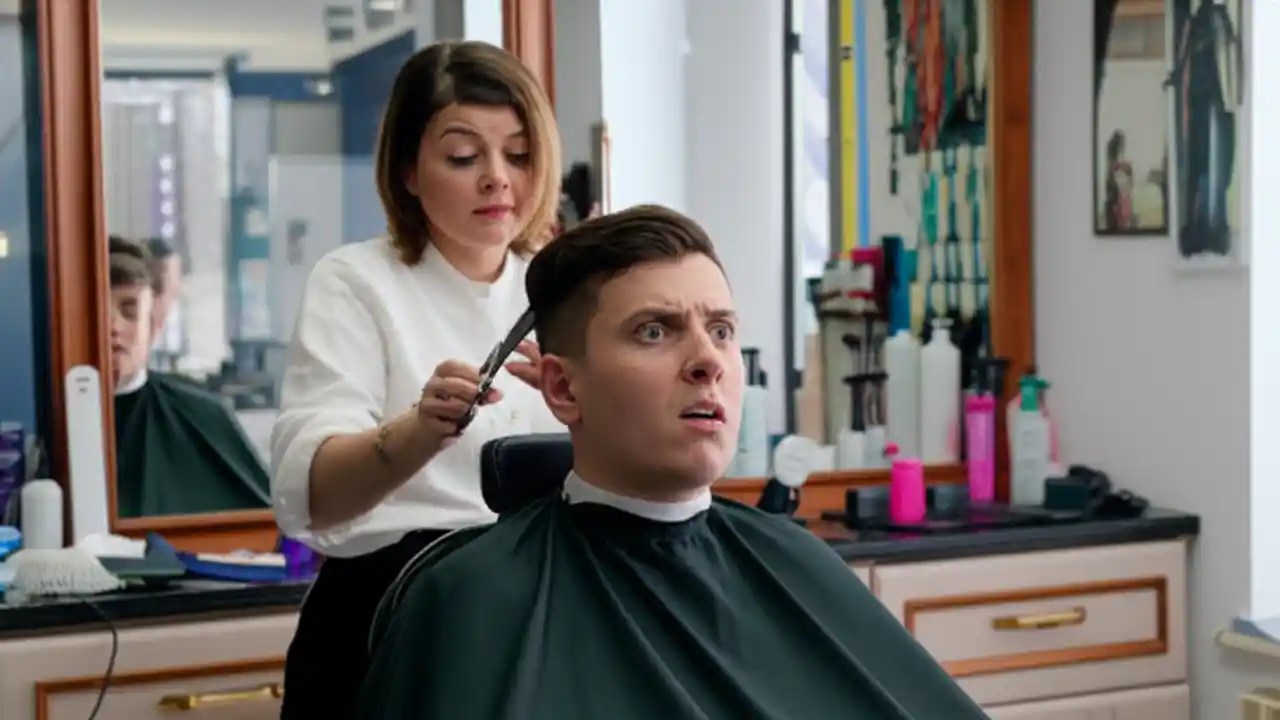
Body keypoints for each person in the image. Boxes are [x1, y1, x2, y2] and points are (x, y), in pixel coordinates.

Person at [358, 205, 988, 719]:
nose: (707, 360)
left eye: (721, 330)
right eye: (654, 331)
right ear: (563, 389)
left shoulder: (798, 560)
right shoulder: (471, 601)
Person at [268, 40, 563, 719]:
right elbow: (313, 498)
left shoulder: (566, 286)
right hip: (394, 615)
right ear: (407, 169)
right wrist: (418, 432)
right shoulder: (355, 283)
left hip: (546, 607)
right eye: (464, 156)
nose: (497, 178)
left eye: (518, 154)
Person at [107, 237, 270, 517]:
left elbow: (268, 529)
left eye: (130, 311)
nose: (114, 327)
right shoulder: (45, 419)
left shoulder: (202, 415)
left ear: (153, 324)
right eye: (99, 312)